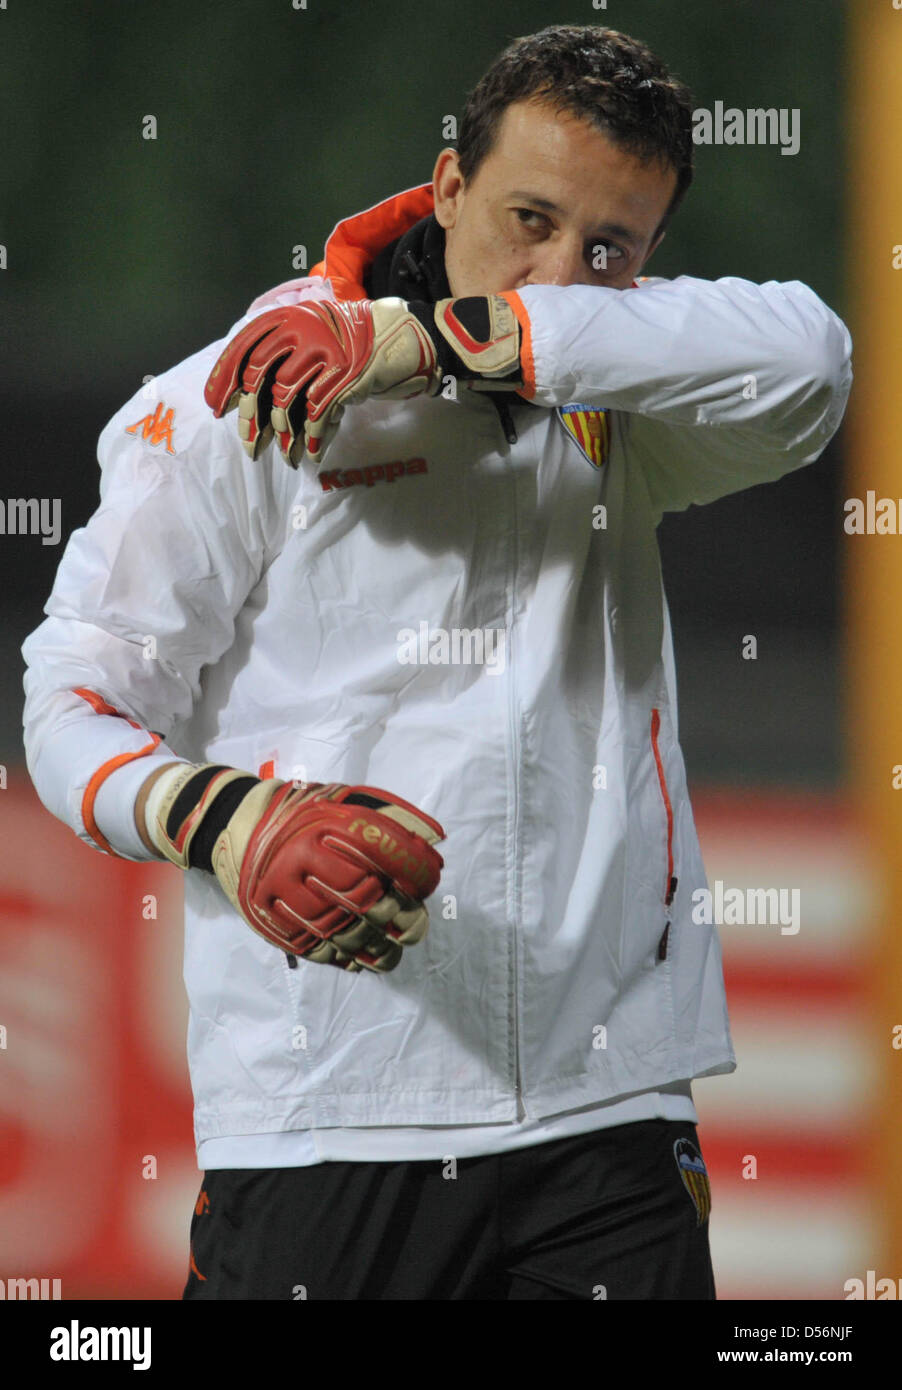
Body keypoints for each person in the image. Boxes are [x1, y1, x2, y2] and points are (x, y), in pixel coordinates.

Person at [21, 24, 852, 1300]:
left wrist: (437, 338)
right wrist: (224, 821)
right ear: (447, 186)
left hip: (607, 1104)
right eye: (527, 216)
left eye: (608, 248)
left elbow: (810, 360)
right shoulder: (230, 401)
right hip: (332, 1111)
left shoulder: (617, 401)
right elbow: (71, 702)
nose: (563, 275)